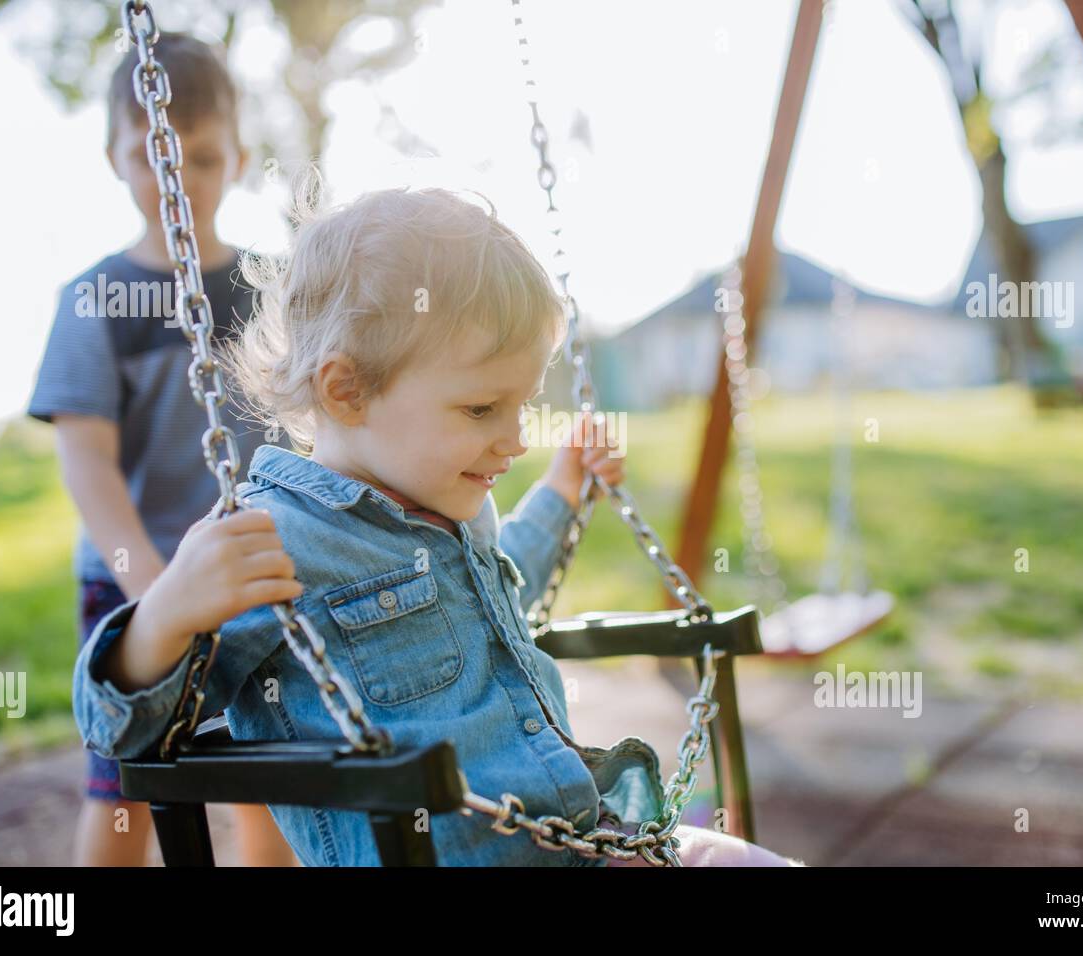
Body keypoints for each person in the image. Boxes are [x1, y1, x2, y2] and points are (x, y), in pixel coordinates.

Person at [72, 180, 803, 867]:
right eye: (482, 410)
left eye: (521, 406)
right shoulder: (275, 541)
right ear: (347, 389)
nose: (516, 438)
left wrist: (561, 487)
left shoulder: (453, 506)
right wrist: (161, 621)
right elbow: (123, 731)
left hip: (588, 839)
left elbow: (500, 591)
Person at [29, 32, 296, 867]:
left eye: (204, 158)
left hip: (249, 569)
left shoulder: (268, 288)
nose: (175, 179)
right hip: (130, 577)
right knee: (128, 789)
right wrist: (155, 589)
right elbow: (88, 466)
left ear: (240, 157)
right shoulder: (93, 302)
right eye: (151, 156)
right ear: (114, 156)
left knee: (271, 777)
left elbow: (305, 431)